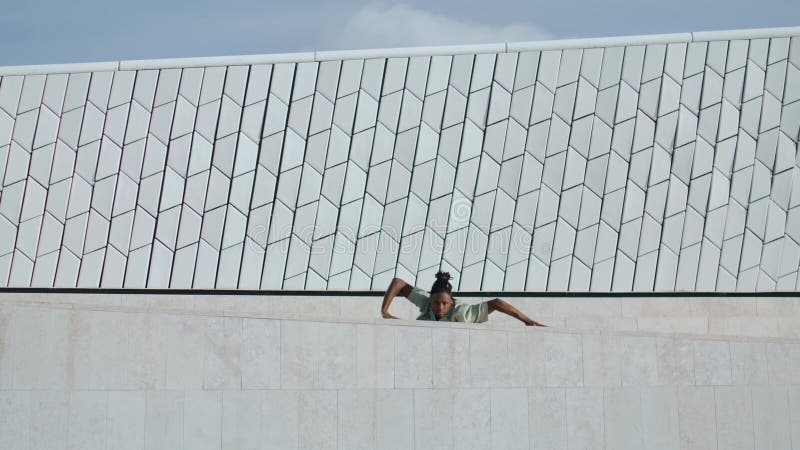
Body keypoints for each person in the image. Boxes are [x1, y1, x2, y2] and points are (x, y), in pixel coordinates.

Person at [380, 270, 547, 326]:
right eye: (436, 303)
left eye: (444, 303)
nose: (440, 307)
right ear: (430, 300)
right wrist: (385, 311)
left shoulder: (463, 312)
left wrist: (526, 320)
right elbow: (398, 283)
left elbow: (497, 303)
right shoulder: (426, 301)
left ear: (450, 302)